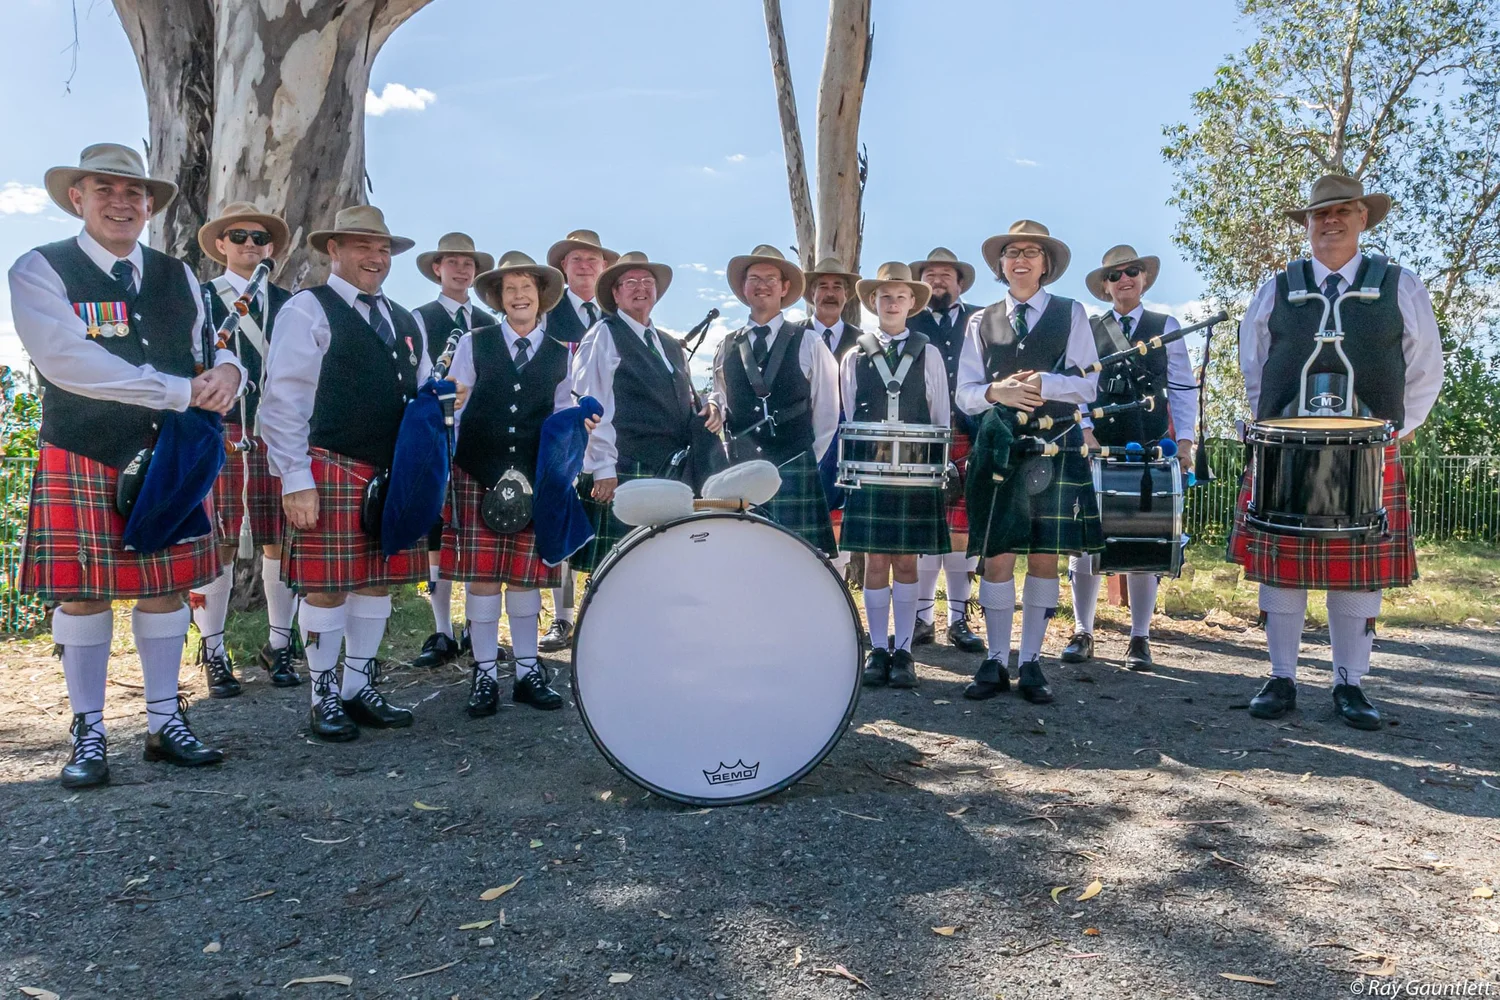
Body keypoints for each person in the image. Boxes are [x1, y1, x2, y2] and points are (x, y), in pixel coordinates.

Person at [10, 143, 244, 787]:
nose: (122, 202)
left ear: (149, 206)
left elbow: (212, 347)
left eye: (134, 193)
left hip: (169, 455)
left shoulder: (179, 277)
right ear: (76, 198)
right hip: (84, 451)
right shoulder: (40, 269)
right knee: (84, 595)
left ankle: (165, 721)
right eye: (105, 189)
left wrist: (228, 371)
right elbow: (66, 361)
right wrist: (179, 392)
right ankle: (89, 732)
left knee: (165, 588)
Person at [1229, 174, 1443, 730]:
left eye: (1343, 212)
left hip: (1368, 450)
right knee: (1284, 566)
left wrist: (1399, 429)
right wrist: (1270, 425)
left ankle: (1350, 684)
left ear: (1362, 219)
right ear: (1307, 224)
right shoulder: (1277, 286)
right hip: (1285, 446)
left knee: (1357, 572)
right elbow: (1254, 362)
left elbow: (1425, 366)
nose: (1330, 222)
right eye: (1320, 214)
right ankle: (1281, 677)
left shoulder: (1399, 284)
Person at [260, 205, 432, 742]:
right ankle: (322, 695)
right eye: (362, 246)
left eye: (383, 249)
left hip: (391, 474)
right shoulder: (307, 309)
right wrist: (295, 477)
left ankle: (358, 687)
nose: (375, 257)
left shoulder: (408, 320)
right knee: (328, 590)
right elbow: (283, 400)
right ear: (333, 250)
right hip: (330, 467)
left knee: (376, 586)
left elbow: (425, 392)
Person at [445, 252, 597, 716]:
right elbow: (456, 402)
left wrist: (577, 426)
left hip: (532, 480)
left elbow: (558, 413)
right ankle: (485, 674)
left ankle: (529, 672)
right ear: (498, 299)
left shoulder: (560, 353)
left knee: (527, 581)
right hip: (478, 474)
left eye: (526, 289)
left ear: (541, 297)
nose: (518, 296)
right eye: (509, 290)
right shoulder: (474, 343)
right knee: (484, 580)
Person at [956, 221, 1102, 704]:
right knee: (996, 557)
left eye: (1031, 253)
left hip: (1055, 446)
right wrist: (998, 391)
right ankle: (996, 660)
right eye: (1012, 252)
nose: (1021, 259)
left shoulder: (1071, 313)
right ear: (1000, 265)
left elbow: (1087, 386)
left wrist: (1042, 383)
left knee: (1044, 558)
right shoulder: (980, 321)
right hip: (998, 450)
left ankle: (1032, 662)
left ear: (1046, 264)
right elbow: (966, 394)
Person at [1062, 245, 1199, 672]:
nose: (1124, 279)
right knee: (1084, 547)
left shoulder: (1165, 326)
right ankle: (1083, 630)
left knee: (1145, 540)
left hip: (1150, 446)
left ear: (1143, 279)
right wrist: (1084, 430)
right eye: (1116, 274)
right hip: (1097, 447)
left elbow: (1181, 388)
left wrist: (1189, 442)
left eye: (1132, 272)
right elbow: (1076, 384)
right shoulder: (1086, 326)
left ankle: (1140, 638)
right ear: (1105, 286)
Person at [190, 202, 299, 696]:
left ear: (271, 248)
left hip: (276, 431)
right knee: (222, 539)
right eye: (238, 236)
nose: (250, 244)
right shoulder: (201, 297)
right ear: (220, 245)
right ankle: (213, 650)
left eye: (259, 237)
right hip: (224, 430)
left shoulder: (291, 302)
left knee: (280, 538)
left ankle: (279, 644)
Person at [570, 252, 724, 574]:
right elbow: (590, 404)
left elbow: (685, 401)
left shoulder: (668, 343)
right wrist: (602, 467)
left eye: (647, 282)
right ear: (615, 293)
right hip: (626, 468)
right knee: (618, 571)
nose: (640, 288)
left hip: (673, 470)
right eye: (631, 282)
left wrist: (709, 406)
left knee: (665, 565)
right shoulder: (604, 334)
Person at [839, 262, 951, 690]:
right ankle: (878, 648)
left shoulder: (930, 352)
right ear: (873, 301)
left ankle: (905, 651)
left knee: (906, 561)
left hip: (915, 470)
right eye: (884, 295)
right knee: (874, 562)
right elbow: (849, 413)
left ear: (911, 303)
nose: (891, 302)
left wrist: (938, 470)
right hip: (870, 468)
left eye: (900, 296)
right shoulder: (853, 355)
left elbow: (940, 413)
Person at [713, 245, 838, 556]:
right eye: (754, 278)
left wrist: (805, 456)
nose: (762, 285)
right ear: (744, 288)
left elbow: (827, 411)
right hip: (742, 466)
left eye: (771, 278)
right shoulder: (727, 345)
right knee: (745, 555)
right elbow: (721, 396)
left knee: (798, 559)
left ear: (784, 288)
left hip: (794, 462)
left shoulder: (808, 341)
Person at [409, 233, 496, 670]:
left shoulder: (488, 321)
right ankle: (442, 629)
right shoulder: (419, 319)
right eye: (453, 262)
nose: (462, 270)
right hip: (436, 436)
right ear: (437, 269)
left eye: (468, 263)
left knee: (475, 531)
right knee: (437, 534)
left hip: (479, 439)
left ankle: (476, 630)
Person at [538, 229, 618, 653]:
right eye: (576, 259)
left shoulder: (616, 313)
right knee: (563, 522)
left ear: (604, 267)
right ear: (563, 268)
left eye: (593, 259)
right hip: (560, 432)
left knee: (606, 531)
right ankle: (563, 618)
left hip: (606, 437)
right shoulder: (546, 313)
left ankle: (601, 613)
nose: (585, 265)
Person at [908, 247, 985, 652]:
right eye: (930, 274)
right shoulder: (908, 320)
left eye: (945, 275)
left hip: (968, 431)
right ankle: (921, 621)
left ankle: (958, 620)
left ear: (959, 283)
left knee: (961, 532)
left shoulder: (981, 320)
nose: (937, 280)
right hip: (922, 434)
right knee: (925, 531)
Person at [804, 255, 863, 577]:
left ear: (847, 295)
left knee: (841, 526)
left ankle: (839, 596)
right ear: (810, 294)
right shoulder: (793, 337)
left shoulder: (865, 342)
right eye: (822, 286)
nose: (829, 292)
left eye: (837, 287)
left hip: (847, 444)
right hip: (802, 445)